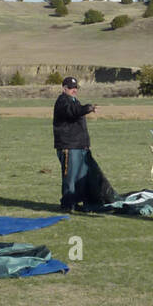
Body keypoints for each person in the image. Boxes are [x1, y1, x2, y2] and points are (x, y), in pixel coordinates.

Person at [54, 76, 98, 212]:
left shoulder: (74, 101)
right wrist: (88, 108)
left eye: (75, 88)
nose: (74, 90)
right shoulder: (62, 101)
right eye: (71, 88)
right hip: (68, 146)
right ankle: (67, 204)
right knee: (70, 177)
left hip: (79, 145)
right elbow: (73, 112)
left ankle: (76, 202)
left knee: (80, 177)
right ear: (64, 88)